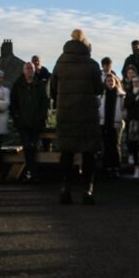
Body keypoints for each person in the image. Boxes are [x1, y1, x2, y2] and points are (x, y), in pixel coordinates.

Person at [49, 30, 104, 203]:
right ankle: (87, 190)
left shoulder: (60, 62)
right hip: (87, 113)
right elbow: (99, 89)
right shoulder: (92, 64)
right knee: (88, 154)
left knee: (67, 153)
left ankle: (65, 189)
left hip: (66, 113)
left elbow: (52, 89)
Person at [9, 61, 51, 181]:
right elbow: (13, 103)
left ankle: (32, 173)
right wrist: (16, 116)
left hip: (36, 122)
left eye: (31, 69)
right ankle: (31, 173)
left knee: (33, 147)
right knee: (27, 146)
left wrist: (41, 117)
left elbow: (45, 103)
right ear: (23, 71)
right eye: (27, 68)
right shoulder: (18, 85)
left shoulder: (39, 85)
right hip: (22, 123)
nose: (29, 71)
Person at [98, 61, 124, 176]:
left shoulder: (121, 95)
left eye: (112, 80)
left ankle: (116, 167)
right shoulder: (101, 95)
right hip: (104, 122)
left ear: (115, 82)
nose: (110, 82)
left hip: (116, 123)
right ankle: (107, 167)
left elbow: (124, 109)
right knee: (106, 145)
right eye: (108, 81)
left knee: (115, 145)